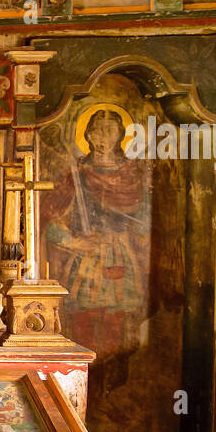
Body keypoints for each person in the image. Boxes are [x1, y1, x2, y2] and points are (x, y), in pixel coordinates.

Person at [44, 109, 150, 387]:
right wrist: (72, 241)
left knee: (118, 320)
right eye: (97, 129)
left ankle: (114, 382)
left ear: (121, 136)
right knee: (83, 318)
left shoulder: (134, 175)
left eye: (110, 129)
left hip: (124, 257)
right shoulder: (76, 174)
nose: (103, 136)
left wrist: (138, 239)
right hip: (86, 259)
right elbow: (45, 217)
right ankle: (78, 381)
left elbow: (147, 221)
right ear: (87, 135)